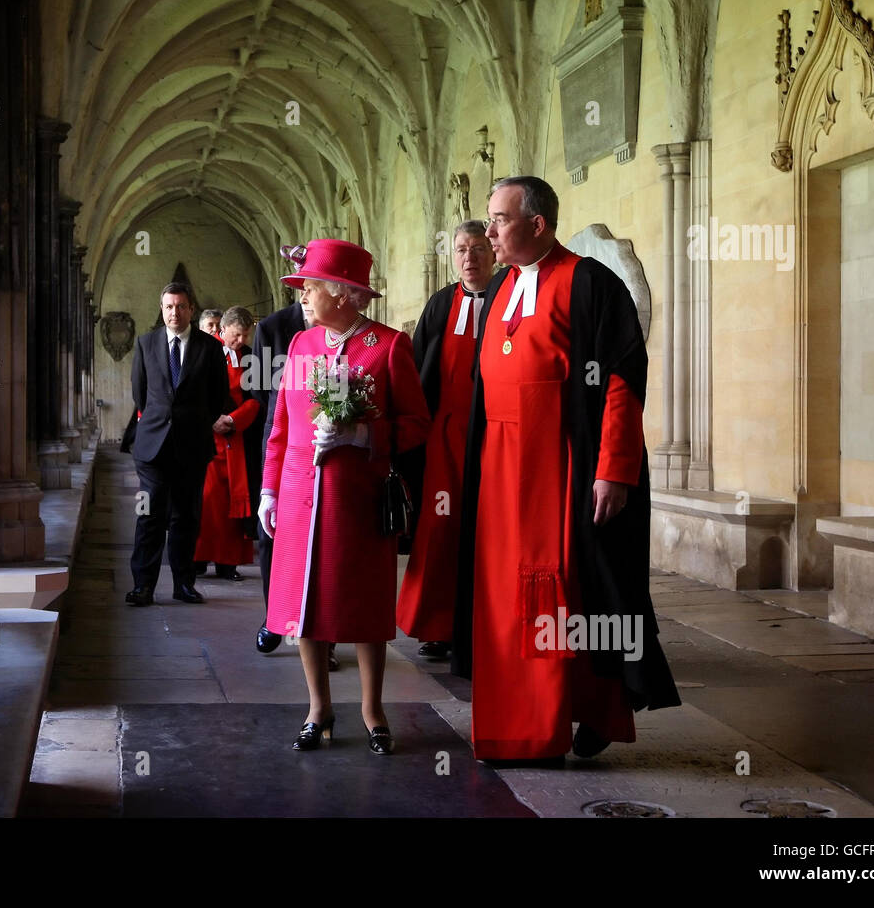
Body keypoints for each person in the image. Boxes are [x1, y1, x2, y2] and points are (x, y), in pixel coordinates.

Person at [453, 176, 680, 762]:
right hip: (501, 472)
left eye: (499, 219)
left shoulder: (590, 283)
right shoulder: (501, 286)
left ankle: (590, 708)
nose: (488, 231)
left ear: (538, 224)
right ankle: (514, 723)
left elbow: (623, 381)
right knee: (504, 596)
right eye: (487, 218)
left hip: (562, 469)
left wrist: (615, 468)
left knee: (574, 594)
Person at [259, 239, 430, 754]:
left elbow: (419, 425)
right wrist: (268, 489)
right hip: (298, 494)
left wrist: (364, 437)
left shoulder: (389, 345)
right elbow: (281, 426)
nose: (303, 295)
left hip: (358, 498)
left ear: (345, 293)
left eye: (311, 285)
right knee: (303, 606)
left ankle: (373, 710)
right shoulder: (300, 346)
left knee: (362, 601)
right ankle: (318, 708)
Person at [396, 220, 495, 662]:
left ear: (492, 252)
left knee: (490, 531)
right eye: (461, 250)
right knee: (441, 528)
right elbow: (420, 369)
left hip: (496, 436)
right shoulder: (441, 304)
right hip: (447, 437)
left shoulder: (510, 296)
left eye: (477, 248)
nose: (469, 258)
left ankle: (488, 625)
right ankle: (437, 625)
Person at [126, 283, 229, 606]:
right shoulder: (146, 344)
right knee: (150, 515)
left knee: (186, 517)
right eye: (169, 306)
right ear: (162, 308)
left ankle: (184, 584)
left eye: (181, 306)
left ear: (191, 309)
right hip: (152, 447)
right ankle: (143, 586)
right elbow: (139, 394)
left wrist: (195, 422)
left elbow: (219, 396)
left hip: (192, 446)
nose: (174, 312)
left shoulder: (210, 348)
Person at [251, 249, 312, 655]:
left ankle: (317, 630)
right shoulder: (274, 327)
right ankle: (275, 616)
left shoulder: (346, 327)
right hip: (283, 439)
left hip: (329, 445)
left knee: (318, 537)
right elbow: (258, 387)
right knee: (272, 532)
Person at [194, 306, 260, 580]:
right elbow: (193, 392)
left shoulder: (250, 358)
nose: (241, 341)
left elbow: (257, 398)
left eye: (246, 335)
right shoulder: (203, 352)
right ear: (224, 330)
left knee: (235, 502)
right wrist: (212, 420)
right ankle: (198, 559)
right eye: (237, 335)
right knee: (207, 503)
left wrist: (232, 420)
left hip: (236, 440)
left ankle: (228, 562)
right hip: (207, 440)